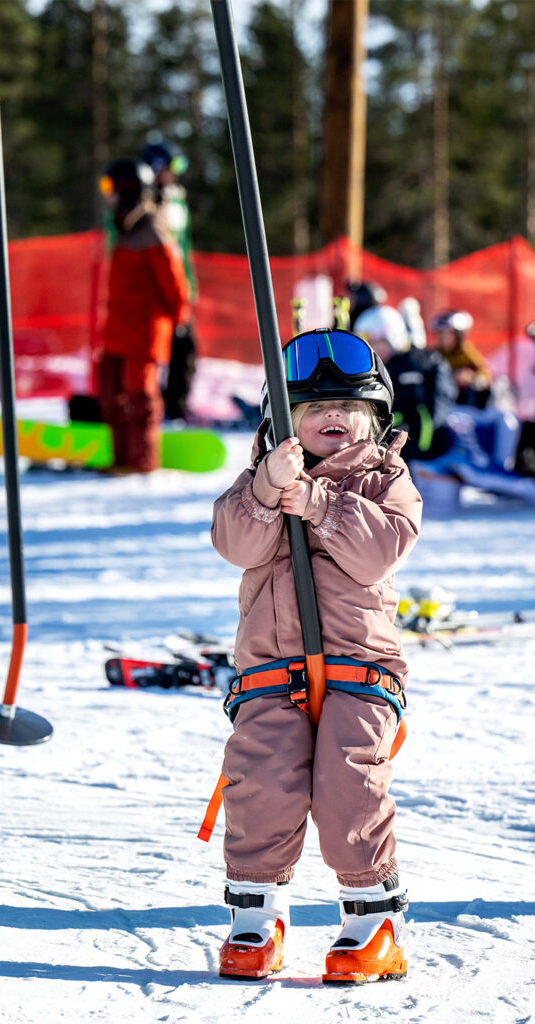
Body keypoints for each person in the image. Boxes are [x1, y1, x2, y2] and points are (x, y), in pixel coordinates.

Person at [209, 327, 420, 982]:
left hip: (360, 672)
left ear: (375, 421)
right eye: (315, 409)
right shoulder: (260, 481)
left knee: (348, 789)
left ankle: (373, 927)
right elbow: (236, 544)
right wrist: (269, 490)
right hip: (271, 673)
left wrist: (320, 503)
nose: (334, 418)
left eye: (349, 409)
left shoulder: (389, 482)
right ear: (284, 422)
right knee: (260, 786)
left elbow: (380, 551)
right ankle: (256, 921)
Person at [97, 157, 190, 473]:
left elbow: (173, 278)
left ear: (127, 189)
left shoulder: (151, 225)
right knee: (110, 390)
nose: (106, 195)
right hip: (118, 327)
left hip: (144, 328)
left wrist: (179, 316)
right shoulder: (124, 226)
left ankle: (141, 460)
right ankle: (121, 457)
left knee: (139, 394)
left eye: (110, 187)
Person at [140, 140, 199, 421]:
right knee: (148, 352)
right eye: (171, 167)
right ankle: (149, 405)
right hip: (150, 293)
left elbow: (181, 248)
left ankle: (175, 406)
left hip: (177, 288)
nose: (174, 174)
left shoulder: (177, 201)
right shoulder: (141, 202)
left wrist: (188, 286)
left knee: (185, 349)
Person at [355, 303, 457, 464]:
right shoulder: (374, 370)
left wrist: (421, 449)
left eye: (375, 341)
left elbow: (436, 410)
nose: (371, 349)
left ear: (391, 338)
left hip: (423, 455)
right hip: (387, 454)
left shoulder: (423, 363)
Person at [428, 308, 521, 469]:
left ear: (459, 335)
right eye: (440, 334)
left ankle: (501, 467)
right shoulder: (434, 357)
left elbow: (484, 374)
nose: (442, 338)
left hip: (471, 407)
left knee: (508, 420)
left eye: (447, 334)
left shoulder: (466, 353)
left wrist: (472, 378)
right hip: (449, 409)